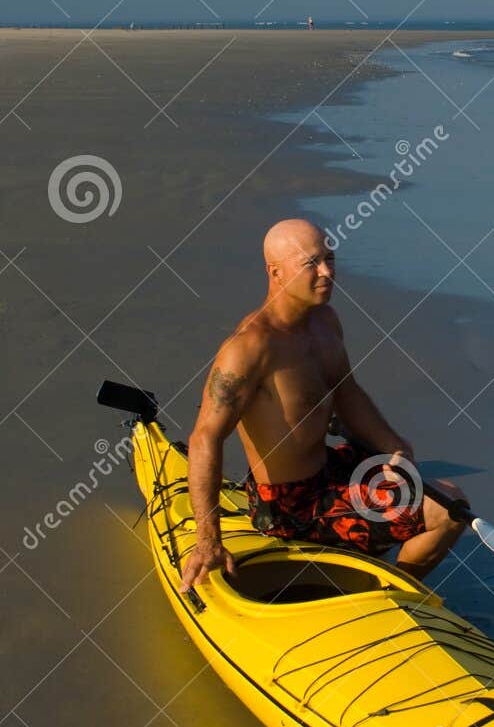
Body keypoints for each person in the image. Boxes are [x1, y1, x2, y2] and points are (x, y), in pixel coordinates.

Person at [179, 219, 468, 591]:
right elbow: (205, 438)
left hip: (327, 470)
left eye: (330, 258)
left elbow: (347, 394)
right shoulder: (249, 349)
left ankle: (373, 561)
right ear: (276, 272)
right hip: (290, 507)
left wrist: (396, 447)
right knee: (447, 512)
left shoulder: (324, 321)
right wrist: (208, 540)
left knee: (432, 486)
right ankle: (393, 600)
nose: (327, 272)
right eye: (311, 263)